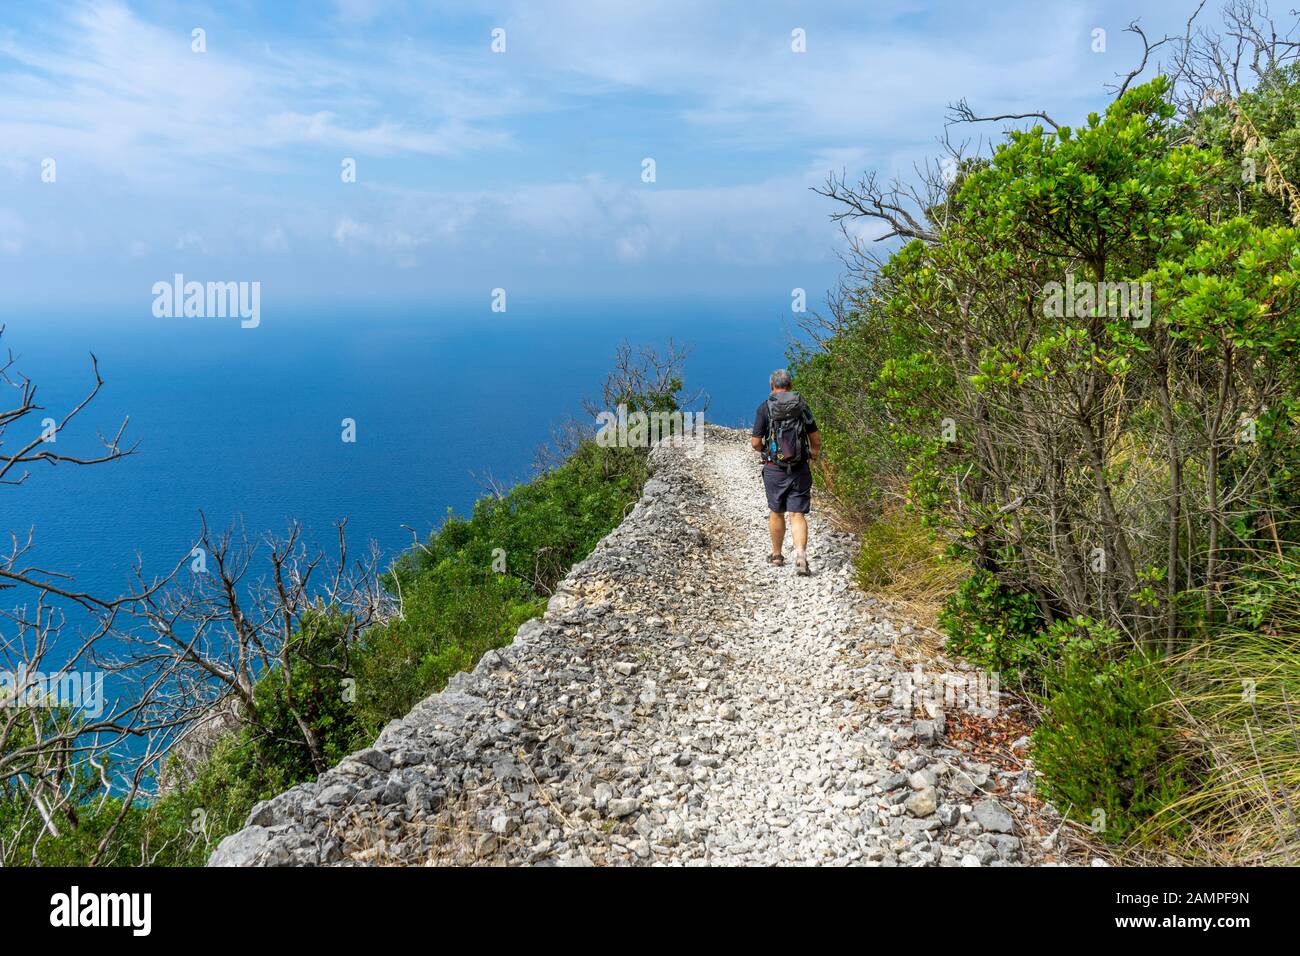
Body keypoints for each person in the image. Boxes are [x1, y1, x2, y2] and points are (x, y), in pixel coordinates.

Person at [750, 369, 820, 575]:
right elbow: (815, 439)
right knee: (797, 513)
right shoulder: (802, 407)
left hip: (774, 469)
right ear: (790, 385)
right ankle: (800, 555)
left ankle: (777, 555)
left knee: (776, 511)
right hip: (799, 468)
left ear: (772, 386)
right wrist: (812, 453)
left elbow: (755, 443)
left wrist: (766, 452)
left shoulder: (765, 408)